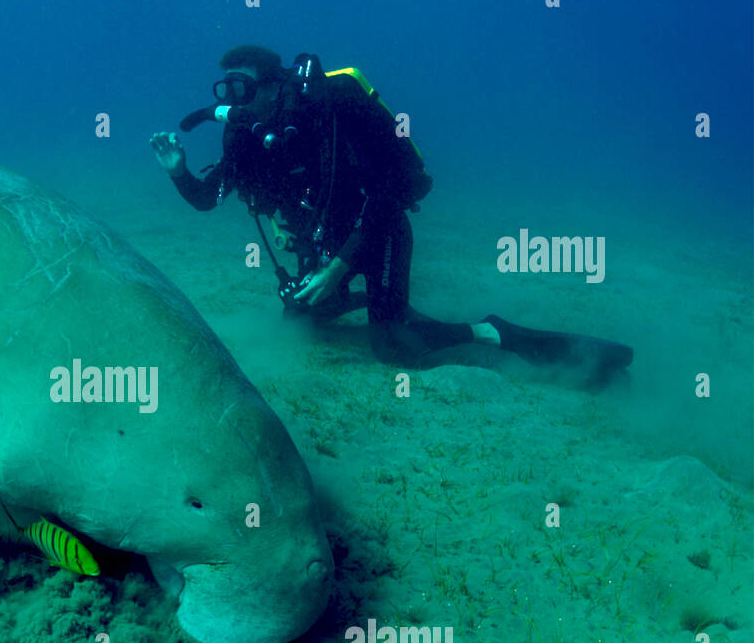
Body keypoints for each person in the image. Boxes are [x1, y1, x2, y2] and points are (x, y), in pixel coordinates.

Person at [150, 45, 633, 387]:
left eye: (243, 87)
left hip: (377, 231)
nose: (234, 102)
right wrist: (179, 172)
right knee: (301, 319)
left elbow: (394, 188)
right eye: (225, 90)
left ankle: (491, 332)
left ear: (276, 85)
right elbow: (209, 197)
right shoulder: (243, 135)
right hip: (323, 241)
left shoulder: (333, 108)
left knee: (393, 347)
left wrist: (340, 266)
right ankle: (374, 300)